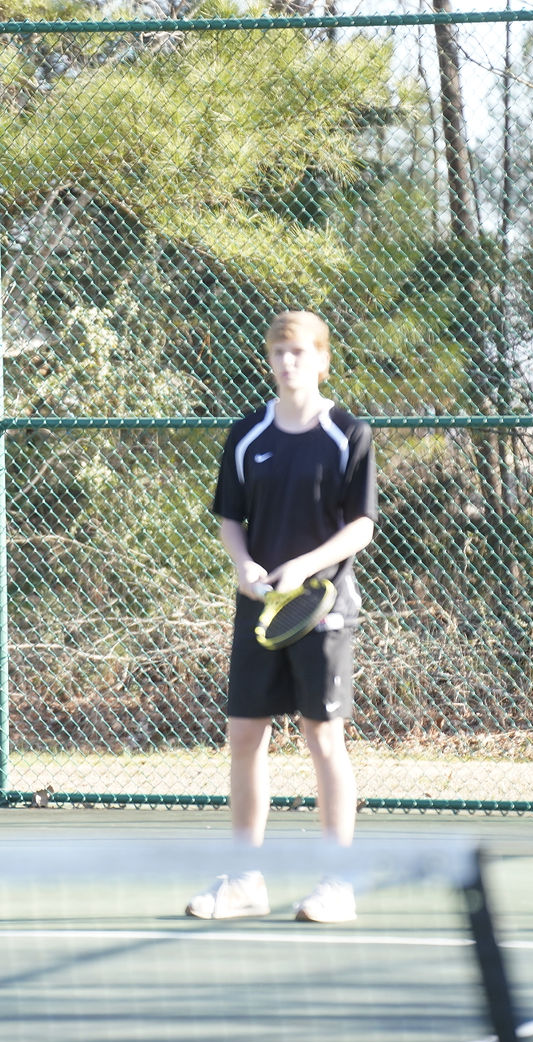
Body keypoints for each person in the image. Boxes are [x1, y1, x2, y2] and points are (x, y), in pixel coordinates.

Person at [185, 310, 377, 924]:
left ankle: (337, 885)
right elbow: (230, 519)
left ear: (323, 358)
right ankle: (245, 880)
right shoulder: (247, 435)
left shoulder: (348, 432)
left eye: (299, 352)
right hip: (259, 612)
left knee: (322, 737)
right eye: (278, 353)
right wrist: (243, 566)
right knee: (245, 737)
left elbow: (362, 526)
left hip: (322, 611)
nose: (287, 362)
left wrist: (303, 567)